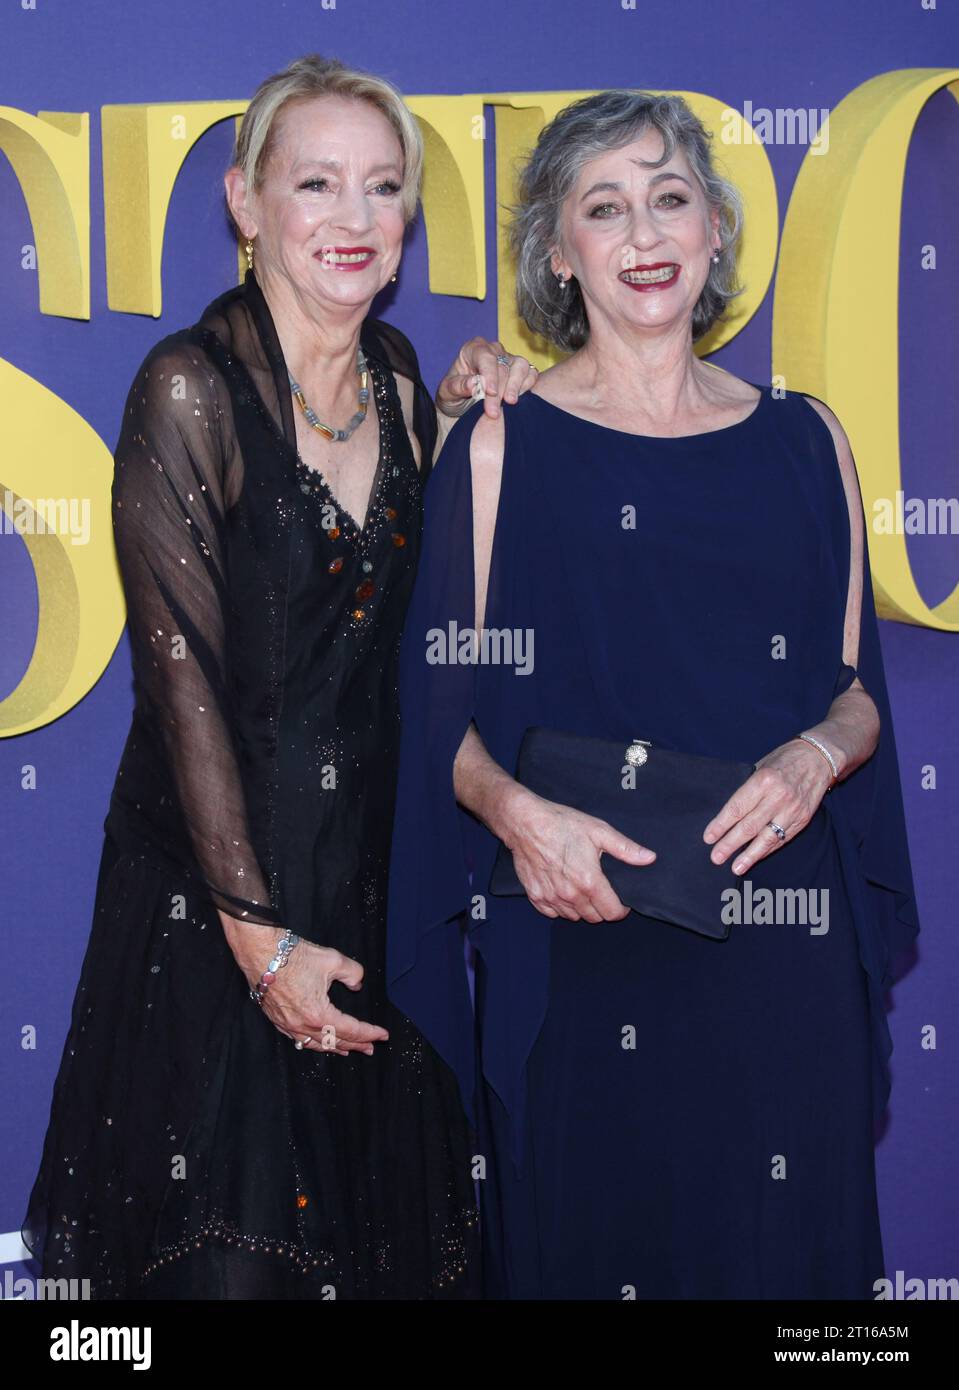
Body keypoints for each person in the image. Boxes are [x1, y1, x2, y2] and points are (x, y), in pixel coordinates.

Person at [386, 89, 920, 1299]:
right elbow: (435, 717)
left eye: (669, 198)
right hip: (582, 945)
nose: (643, 231)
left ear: (716, 234)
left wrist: (809, 759)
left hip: (781, 952)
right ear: (557, 253)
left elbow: (855, 696)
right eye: (603, 206)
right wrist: (522, 820)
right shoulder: (496, 443)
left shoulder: (803, 438)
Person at [21, 52, 535, 1301]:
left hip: (369, 912)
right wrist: (264, 951)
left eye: (381, 189)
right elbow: (182, 688)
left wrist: (488, 404)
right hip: (212, 920)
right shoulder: (187, 390)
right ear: (247, 204)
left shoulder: (409, 387)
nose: (355, 221)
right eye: (317, 184)